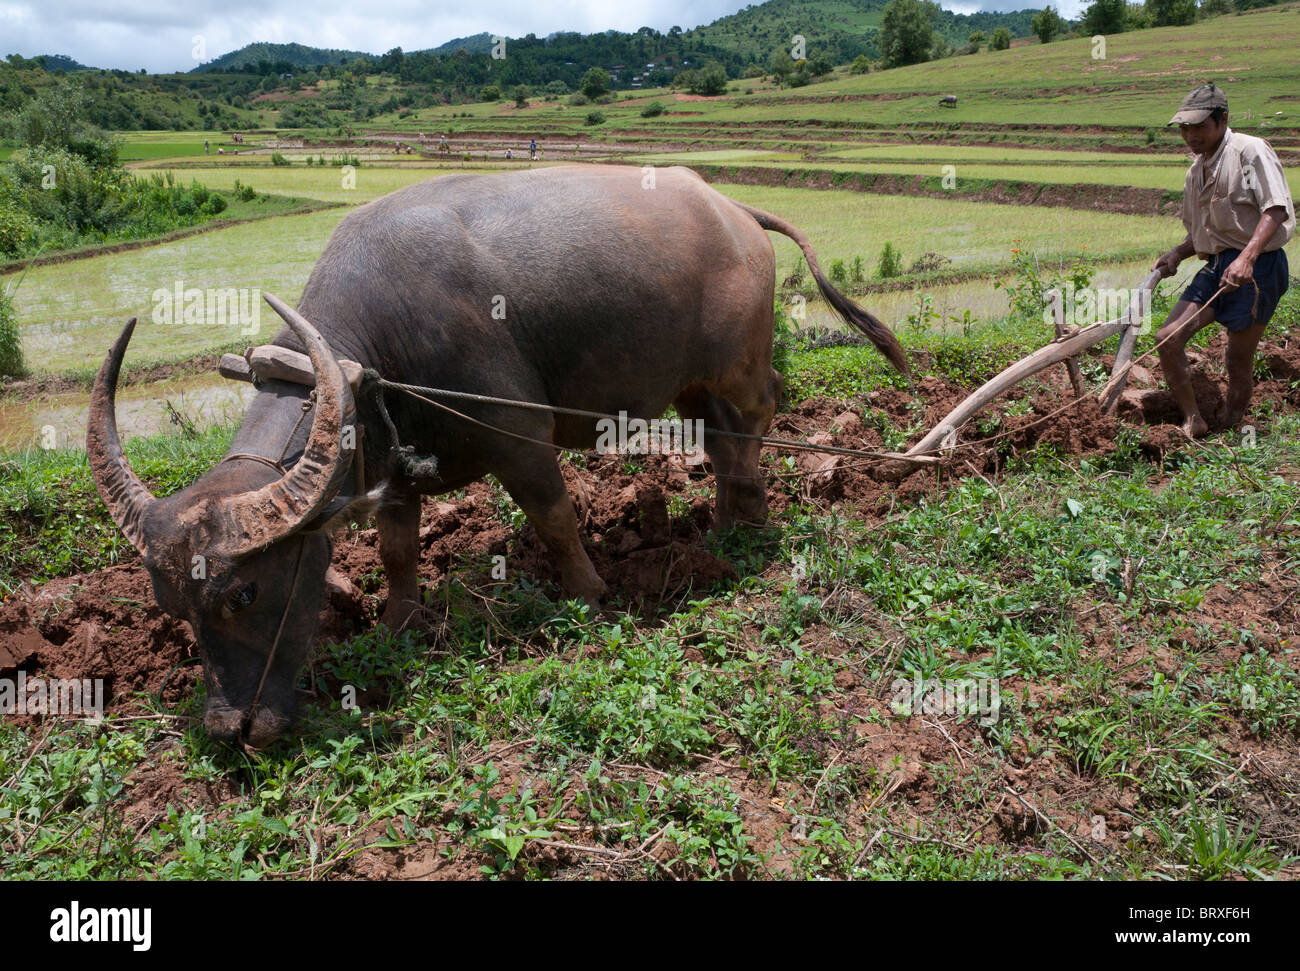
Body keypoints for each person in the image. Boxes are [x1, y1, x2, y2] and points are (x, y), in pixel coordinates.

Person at [1153, 83, 1294, 438]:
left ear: (1223, 119)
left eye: (1199, 126)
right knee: (1167, 339)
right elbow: (1206, 232)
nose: (1190, 135)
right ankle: (1194, 420)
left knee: (1237, 359)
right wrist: (1177, 253)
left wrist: (1247, 257)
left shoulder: (1250, 152)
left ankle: (1231, 423)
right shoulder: (1195, 171)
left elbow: (1275, 209)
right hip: (1217, 265)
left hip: (1259, 266)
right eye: (1185, 128)